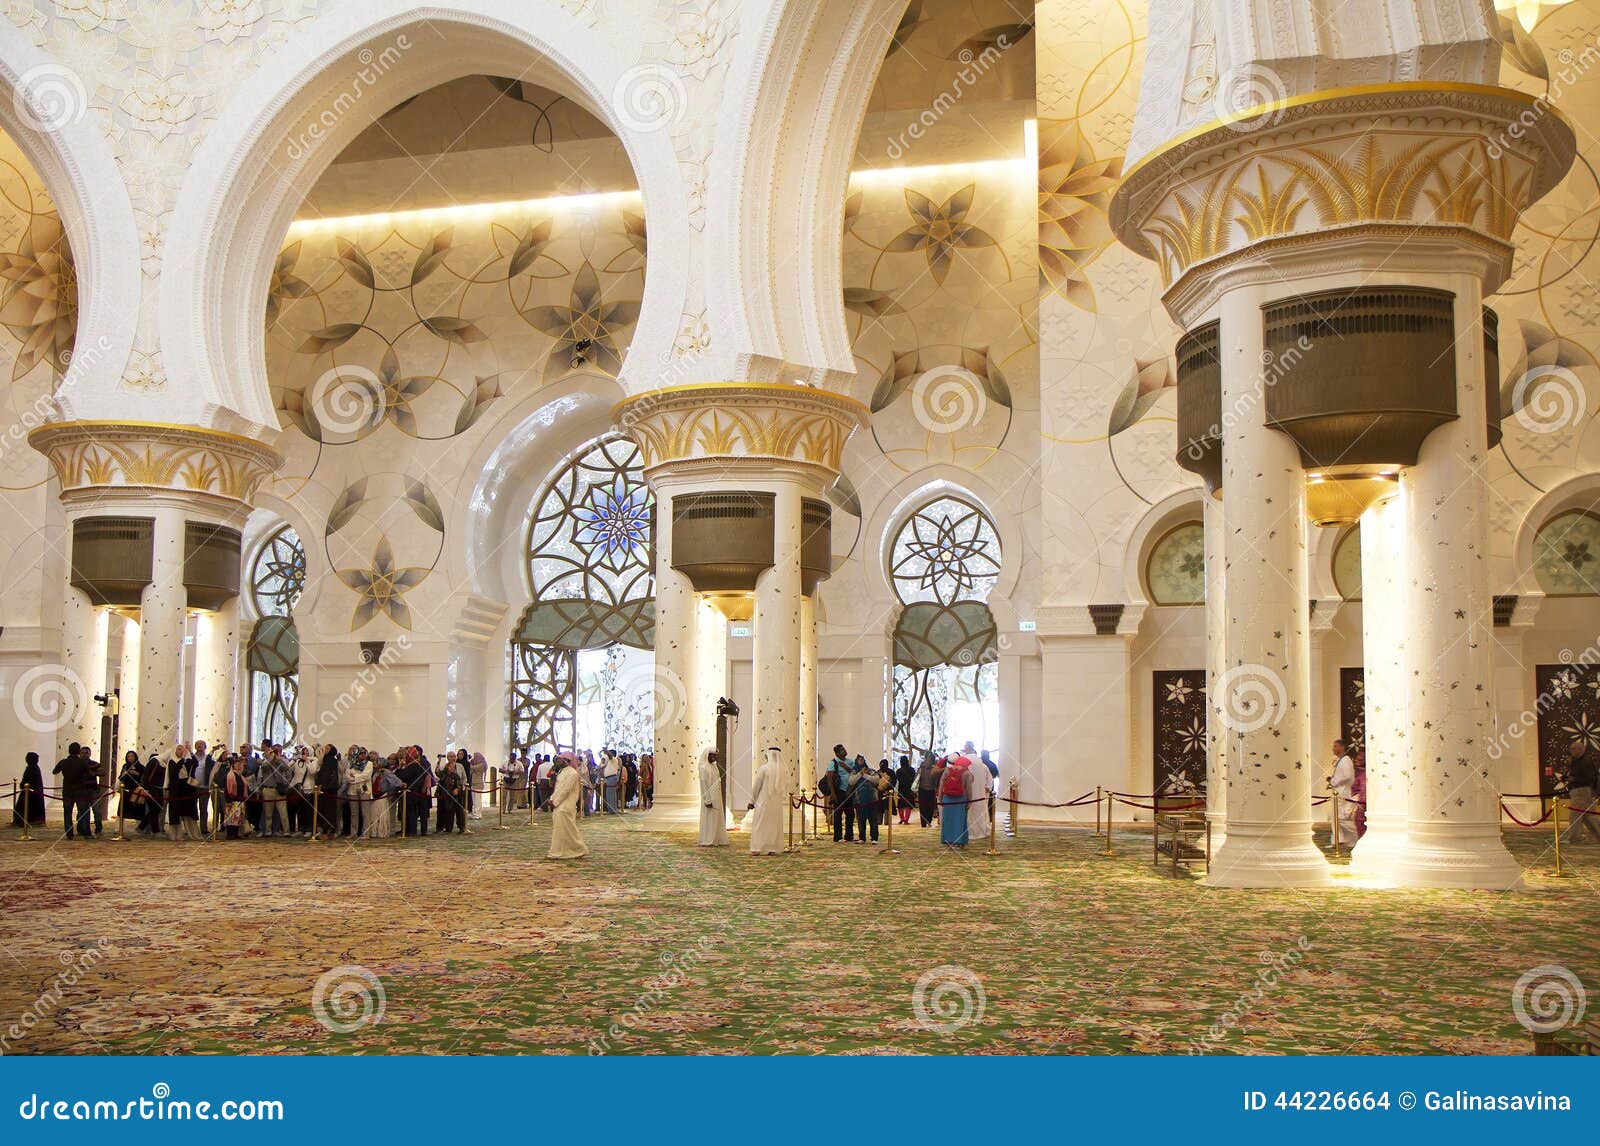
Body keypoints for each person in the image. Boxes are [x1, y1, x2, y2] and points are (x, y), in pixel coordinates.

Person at [547, 752, 588, 860]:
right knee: (560, 830)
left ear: (566, 761)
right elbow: (558, 788)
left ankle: (578, 849)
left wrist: (555, 802)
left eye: (559, 759)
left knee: (569, 830)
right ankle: (559, 851)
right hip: (559, 805)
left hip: (566, 805)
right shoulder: (562, 772)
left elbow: (566, 790)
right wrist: (552, 799)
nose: (557, 761)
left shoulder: (572, 773)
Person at [747, 745, 785, 855]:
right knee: (774, 825)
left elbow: (757, 786)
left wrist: (751, 801)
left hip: (763, 801)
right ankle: (772, 848)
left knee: (760, 824)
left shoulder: (764, 768)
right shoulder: (783, 770)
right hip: (776, 803)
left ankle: (757, 848)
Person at [53, 743, 95, 840]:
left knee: (67, 812)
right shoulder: (82, 762)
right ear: (78, 751)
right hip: (80, 789)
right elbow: (90, 773)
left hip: (67, 790)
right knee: (83, 811)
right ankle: (86, 833)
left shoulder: (63, 762)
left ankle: (69, 833)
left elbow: (55, 771)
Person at [1563, 738, 1600, 844]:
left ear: (1580, 749)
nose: (1571, 751)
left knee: (1576, 814)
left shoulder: (1585, 761)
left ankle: (1575, 838)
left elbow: (1590, 778)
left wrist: (1574, 779)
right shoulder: (1575, 761)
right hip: (1579, 791)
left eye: (1573, 749)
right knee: (1589, 817)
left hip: (1583, 791)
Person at [1329, 739, 1358, 848]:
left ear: (1342, 747)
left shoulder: (1346, 760)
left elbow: (1347, 776)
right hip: (1338, 792)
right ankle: (1338, 841)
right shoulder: (1340, 760)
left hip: (1343, 793)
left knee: (1342, 818)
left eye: (1335, 746)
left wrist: (1334, 781)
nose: (1333, 748)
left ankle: (1356, 836)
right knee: (1335, 817)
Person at [940, 754, 972, 847]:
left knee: (947, 820)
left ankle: (948, 840)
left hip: (948, 798)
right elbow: (969, 788)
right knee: (960, 820)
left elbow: (941, 784)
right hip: (961, 799)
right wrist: (970, 801)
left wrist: (940, 797)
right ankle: (960, 841)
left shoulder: (947, 771)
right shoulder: (966, 773)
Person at [825, 745, 855, 843]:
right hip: (839, 791)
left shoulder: (850, 761)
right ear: (837, 753)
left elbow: (854, 772)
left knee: (850, 814)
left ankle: (849, 836)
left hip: (849, 791)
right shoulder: (833, 762)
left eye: (844, 748)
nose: (844, 750)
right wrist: (833, 793)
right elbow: (829, 778)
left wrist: (846, 767)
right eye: (842, 750)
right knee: (838, 815)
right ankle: (838, 837)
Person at [698, 749, 727, 847]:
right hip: (709, 796)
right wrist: (707, 800)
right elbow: (703, 784)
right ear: (707, 755)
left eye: (715, 755)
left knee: (716, 817)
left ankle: (716, 839)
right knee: (709, 818)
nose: (714, 757)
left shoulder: (714, 767)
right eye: (712, 755)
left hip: (717, 796)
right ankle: (708, 839)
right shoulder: (703, 767)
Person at [345, 750, 374, 839]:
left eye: (363, 753)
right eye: (360, 753)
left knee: (365, 812)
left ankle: (366, 833)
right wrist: (354, 778)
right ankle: (353, 833)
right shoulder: (351, 764)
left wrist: (355, 776)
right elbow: (347, 776)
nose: (362, 755)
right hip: (353, 790)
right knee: (354, 813)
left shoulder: (369, 764)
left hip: (364, 790)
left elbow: (367, 775)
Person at [967, 750, 993, 845]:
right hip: (978, 795)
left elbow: (990, 780)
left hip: (979, 795)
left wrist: (988, 787)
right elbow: (990, 780)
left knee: (977, 813)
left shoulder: (983, 767)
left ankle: (980, 831)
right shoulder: (983, 766)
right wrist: (988, 787)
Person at [221, 757, 251, 840]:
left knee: (238, 818)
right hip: (232, 800)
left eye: (240, 764)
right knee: (231, 818)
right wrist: (229, 800)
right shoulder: (231, 775)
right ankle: (230, 834)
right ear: (233, 765)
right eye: (237, 764)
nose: (239, 765)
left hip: (240, 799)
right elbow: (228, 789)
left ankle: (235, 833)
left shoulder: (241, 776)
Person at [852, 754, 879, 844]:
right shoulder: (854, 771)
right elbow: (851, 781)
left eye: (862, 759)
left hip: (871, 799)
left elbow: (876, 780)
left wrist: (865, 775)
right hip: (859, 799)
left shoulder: (870, 770)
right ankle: (862, 838)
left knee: (873, 819)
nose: (861, 761)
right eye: (859, 760)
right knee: (861, 819)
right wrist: (860, 773)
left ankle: (874, 838)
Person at [12, 751, 44, 826]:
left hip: (30, 793)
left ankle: (21, 821)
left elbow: (28, 780)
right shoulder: (35, 768)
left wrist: (22, 785)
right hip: (33, 792)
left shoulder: (31, 768)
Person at [915, 752, 940, 827]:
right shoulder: (934, 768)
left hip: (922, 789)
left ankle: (923, 823)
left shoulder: (921, 767)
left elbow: (917, 778)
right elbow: (936, 780)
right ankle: (929, 821)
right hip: (931, 790)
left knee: (922, 807)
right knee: (930, 807)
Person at [895, 755, 916, 825]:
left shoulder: (898, 771)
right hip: (909, 789)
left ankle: (902, 819)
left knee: (901, 805)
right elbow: (913, 779)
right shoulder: (912, 770)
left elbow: (898, 779)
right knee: (908, 805)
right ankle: (906, 820)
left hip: (901, 789)